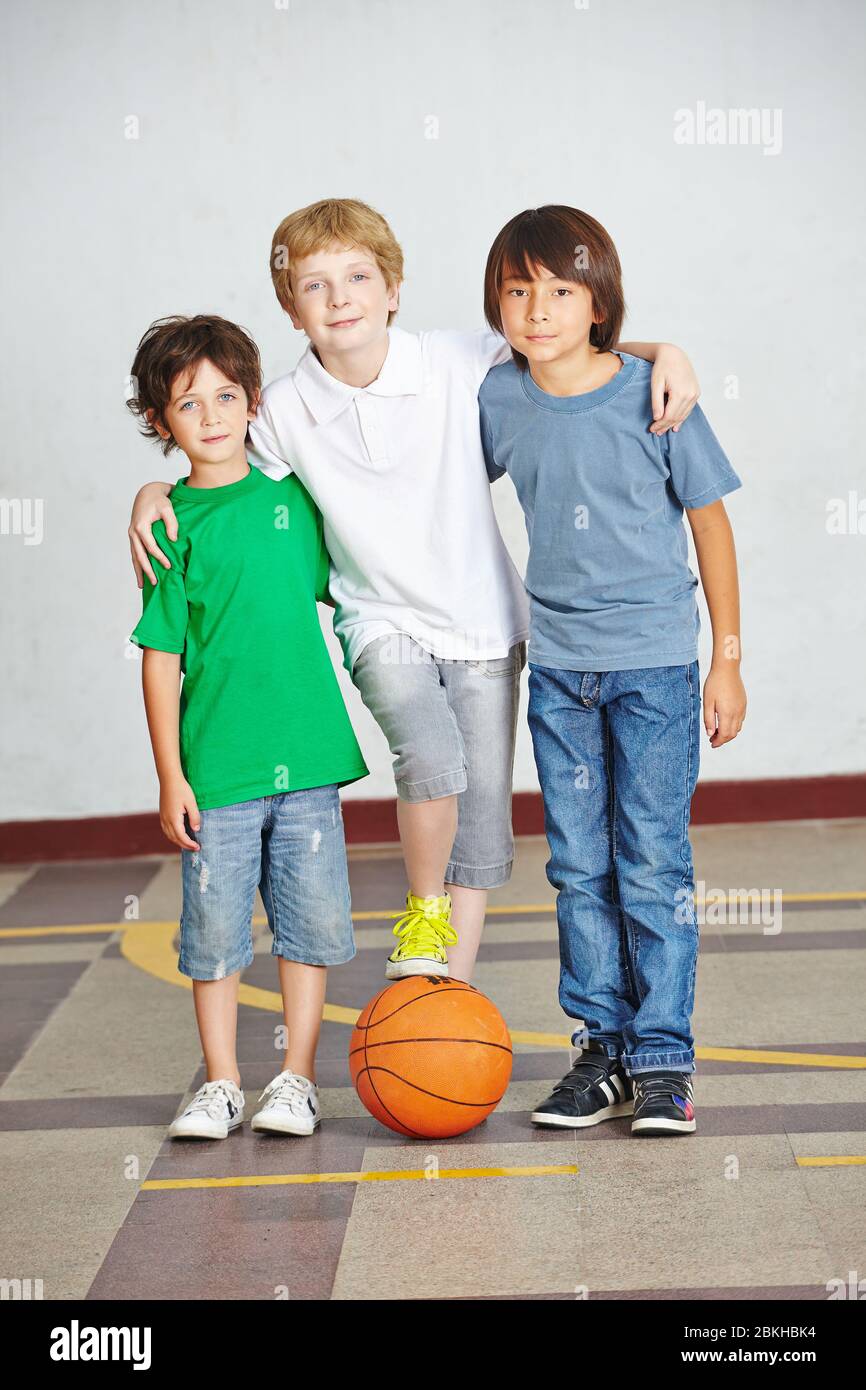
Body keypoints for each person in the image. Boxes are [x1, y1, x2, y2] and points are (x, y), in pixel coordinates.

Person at [128, 198, 702, 985]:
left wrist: (662, 350)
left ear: (393, 289)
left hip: (486, 624)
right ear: (291, 311)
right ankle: (423, 910)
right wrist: (153, 493)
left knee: (483, 817)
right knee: (429, 755)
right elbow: (210, 458)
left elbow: (562, 343)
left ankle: (448, 990)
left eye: (358, 277)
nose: (340, 299)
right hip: (379, 621)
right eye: (315, 286)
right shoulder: (283, 411)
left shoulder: (457, 360)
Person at [479, 205, 746, 1137]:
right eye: (518, 291)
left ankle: (664, 1060)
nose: (538, 309)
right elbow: (417, 478)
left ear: (598, 301)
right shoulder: (498, 400)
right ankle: (602, 1051)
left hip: (657, 671)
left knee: (653, 860)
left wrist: (728, 661)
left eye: (560, 289)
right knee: (578, 868)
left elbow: (711, 525)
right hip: (558, 673)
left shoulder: (655, 391)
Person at [126, 313, 368, 1140]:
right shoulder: (169, 529)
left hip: (306, 761)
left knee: (307, 929)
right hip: (217, 771)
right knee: (215, 935)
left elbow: (365, 567)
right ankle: (224, 1083)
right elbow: (162, 659)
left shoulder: (296, 499)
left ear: (254, 400)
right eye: (190, 406)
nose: (214, 416)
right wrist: (171, 775)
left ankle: (296, 1080)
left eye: (227, 396)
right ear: (161, 423)